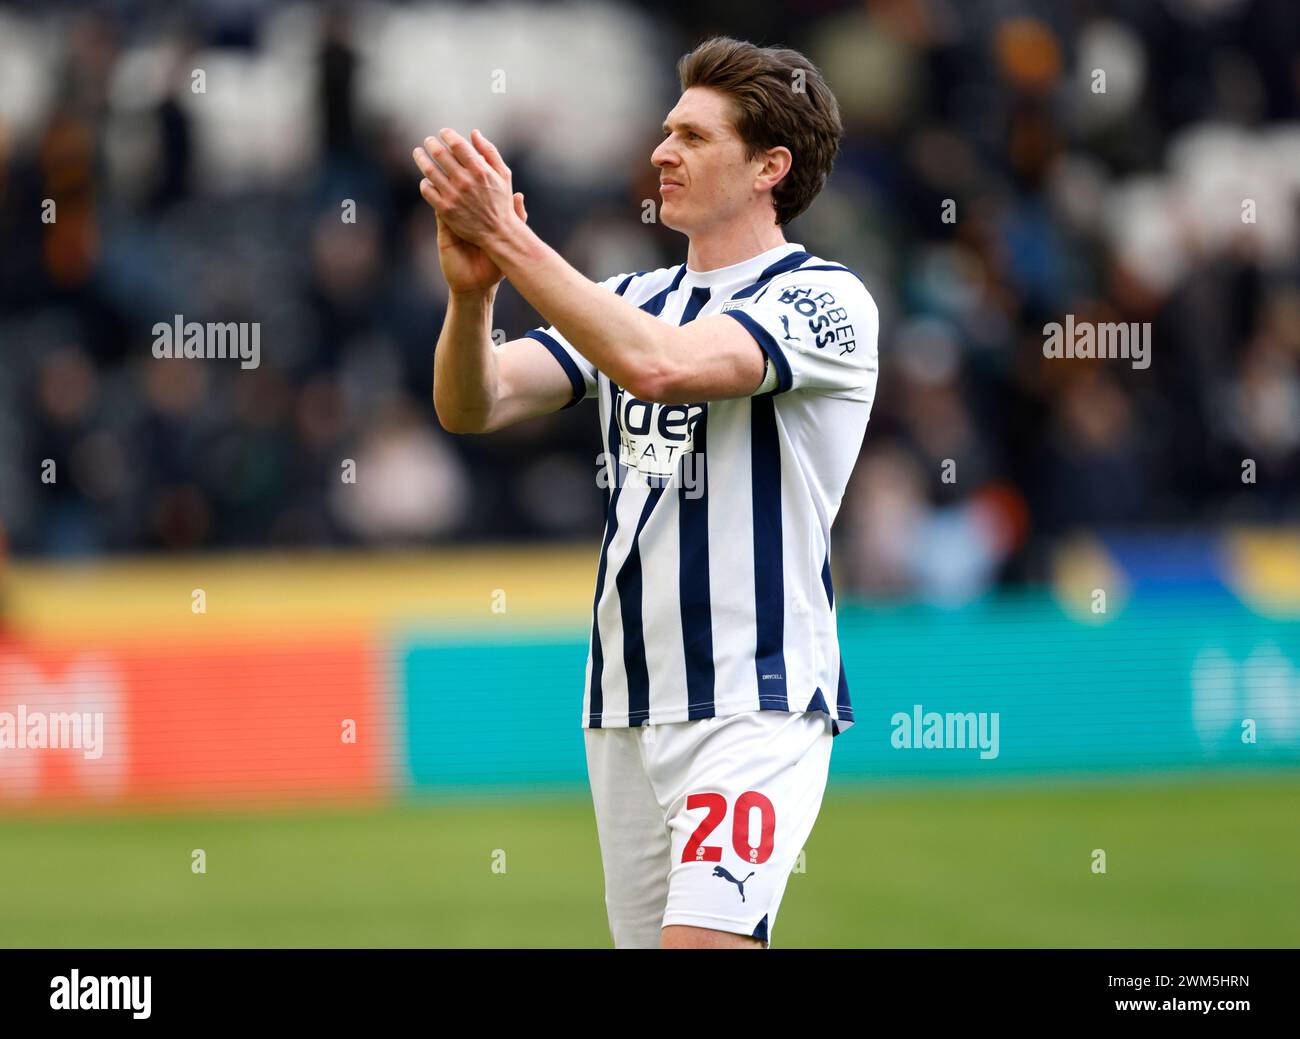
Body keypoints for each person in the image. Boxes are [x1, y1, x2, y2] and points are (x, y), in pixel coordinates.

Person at [413, 36, 879, 949]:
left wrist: (509, 236)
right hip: (624, 706)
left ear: (768, 169)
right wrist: (473, 296)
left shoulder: (823, 301)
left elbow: (662, 369)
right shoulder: (637, 298)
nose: (662, 152)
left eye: (695, 138)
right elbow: (474, 403)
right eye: (667, 131)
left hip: (755, 698)